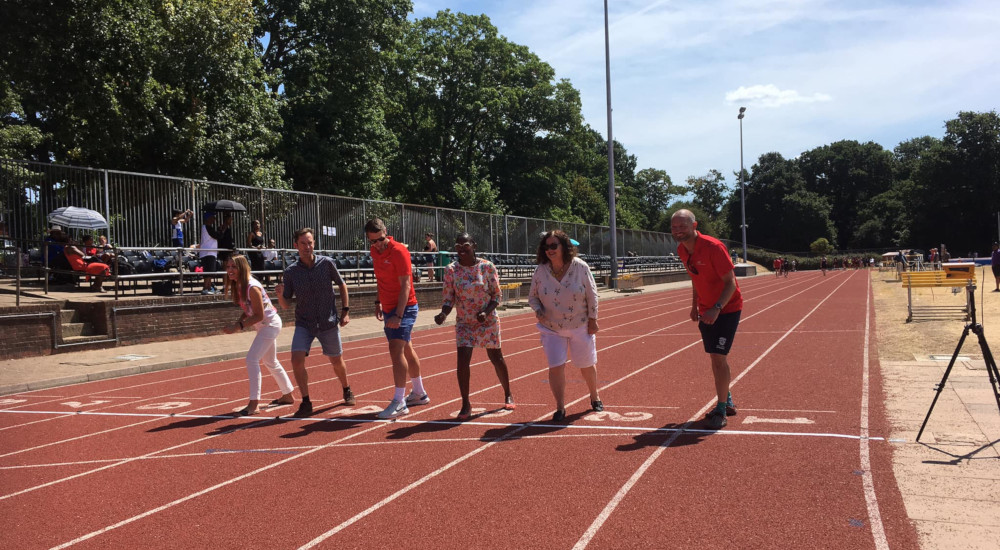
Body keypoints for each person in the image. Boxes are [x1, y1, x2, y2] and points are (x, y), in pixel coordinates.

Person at [671, 209, 742, 430]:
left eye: (682, 226)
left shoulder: (713, 247)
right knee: (714, 357)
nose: (678, 230)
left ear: (694, 226)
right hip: (705, 310)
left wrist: (716, 308)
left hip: (727, 308)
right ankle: (727, 399)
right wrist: (694, 305)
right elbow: (696, 278)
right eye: (674, 227)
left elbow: (730, 283)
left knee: (719, 357)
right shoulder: (682, 250)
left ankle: (721, 409)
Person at [434, 232, 515, 420]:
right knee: (462, 360)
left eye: (465, 246)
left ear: (474, 246)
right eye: (458, 247)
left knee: (496, 357)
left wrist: (486, 312)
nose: (461, 250)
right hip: (464, 322)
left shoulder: (487, 267)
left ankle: (508, 392)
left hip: (487, 321)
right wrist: (443, 314)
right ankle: (465, 403)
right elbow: (449, 298)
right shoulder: (451, 270)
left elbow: (496, 296)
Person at [276, 228, 355, 418]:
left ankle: (346, 388)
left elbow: (342, 284)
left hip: (328, 321)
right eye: (303, 243)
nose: (307, 247)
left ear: (314, 244)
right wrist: (279, 295)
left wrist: (345, 311)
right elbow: (286, 305)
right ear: (296, 246)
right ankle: (306, 401)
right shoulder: (291, 272)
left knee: (336, 360)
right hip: (304, 323)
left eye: (310, 243)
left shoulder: (326, 263)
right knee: (296, 360)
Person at [528, 229, 602, 422]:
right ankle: (560, 407)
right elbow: (532, 297)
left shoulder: (580, 267)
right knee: (555, 366)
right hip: (551, 328)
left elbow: (592, 294)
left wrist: (593, 319)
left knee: (586, 364)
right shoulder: (540, 270)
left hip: (580, 325)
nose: (550, 250)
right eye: (546, 246)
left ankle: (594, 396)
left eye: (554, 245)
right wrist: (538, 310)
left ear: (564, 247)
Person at [366, 218, 428, 419]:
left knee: (396, 349)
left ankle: (399, 401)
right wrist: (378, 301)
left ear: (386, 232)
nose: (378, 244)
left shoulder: (399, 251)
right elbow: (380, 279)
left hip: (405, 307)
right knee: (406, 348)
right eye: (373, 241)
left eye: (380, 239)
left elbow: (406, 285)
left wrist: (398, 315)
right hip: (388, 307)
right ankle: (419, 393)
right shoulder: (374, 252)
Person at [222, 255, 295, 416]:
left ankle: (254, 404)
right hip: (264, 326)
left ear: (242, 268)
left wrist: (238, 327)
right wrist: (238, 321)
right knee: (270, 361)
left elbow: (259, 315)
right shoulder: (240, 284)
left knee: (251, 359)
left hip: (269, 324)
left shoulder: (252, 287)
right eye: (228, 267)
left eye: (234, 267)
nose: (230, 270)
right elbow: (248, 309)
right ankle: (288, 395)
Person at [199, 212, 221, 294]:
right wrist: (221, 230)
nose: (214, 220)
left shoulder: (206, 227)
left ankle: (208, 287)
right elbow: (217, 236)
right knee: (208, 272)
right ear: (208, 218)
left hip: (209, 252)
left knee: (210, 272)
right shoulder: (207, 227)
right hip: (208, 253)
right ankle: (205, 288)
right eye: (213, 218)